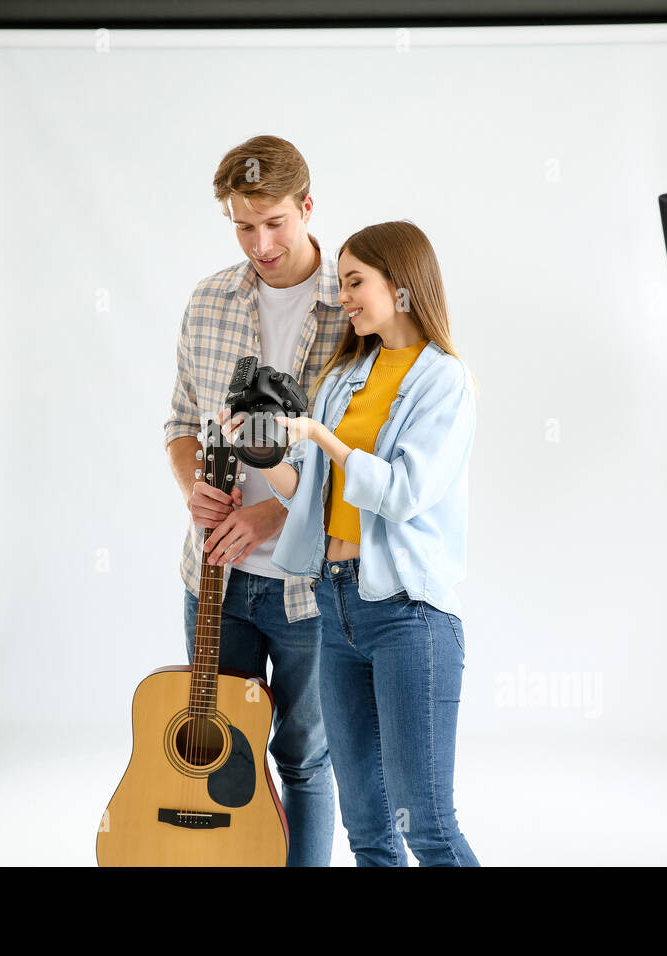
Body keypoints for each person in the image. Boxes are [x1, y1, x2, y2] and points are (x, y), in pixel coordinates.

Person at [221, 220, 480, 866]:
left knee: (430, 828)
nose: (345, 298)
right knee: (367, 829)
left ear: (404, 284)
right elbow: (308, 493)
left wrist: (321, 437)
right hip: (335, 612)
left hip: (408, 617)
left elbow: (402, 491)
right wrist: (261, 448)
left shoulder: (445, 381)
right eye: (342, 284)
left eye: (356, 282)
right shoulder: (344, 378)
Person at [163, 134, 348, 866]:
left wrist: (273, 514)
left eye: (274, 221)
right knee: (221, 756)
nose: (260, 242)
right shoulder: (208, 301)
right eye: (243, 225)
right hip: (214, 581)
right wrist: (194, 493)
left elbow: (359, 454)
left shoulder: (352, 303)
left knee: (303, 759)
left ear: (307, 206)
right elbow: (181, 424)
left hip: (310, 587)